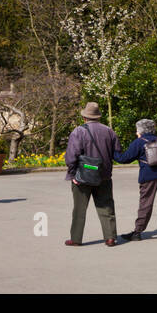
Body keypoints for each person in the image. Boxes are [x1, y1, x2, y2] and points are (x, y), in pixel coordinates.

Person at [64, 102, 121, 246]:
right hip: (104, 175)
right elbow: (117, 153)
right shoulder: (109, 131)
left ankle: (76, 239)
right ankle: (110, 237)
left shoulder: (78, 131)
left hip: (83, 176)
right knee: (106, 206)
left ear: (84, 117)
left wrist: (72, 174)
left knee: (79, 209)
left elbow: (72, 156)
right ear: (98, 117)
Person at [115, 119, 157, 244]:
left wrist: (113, 151)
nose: (136, 133)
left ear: (140, 130)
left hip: (148, 177)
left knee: (146, 204)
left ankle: (137, 232)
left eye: (136, 130)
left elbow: (124, 159)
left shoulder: (138, 143)